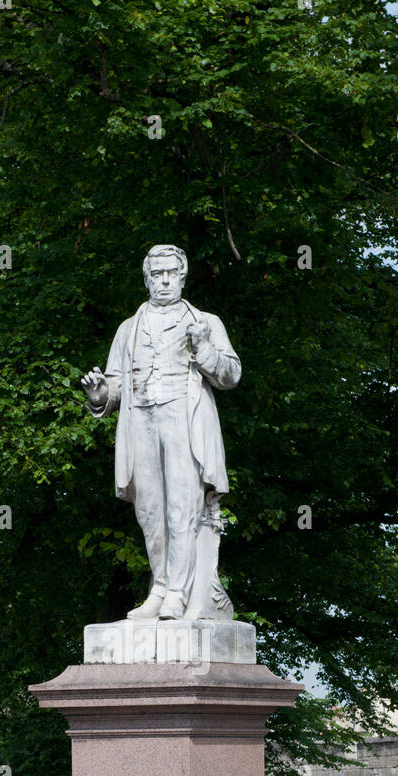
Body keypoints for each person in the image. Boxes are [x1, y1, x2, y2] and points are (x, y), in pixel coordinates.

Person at [80, 244, 241, 621]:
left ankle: (177, 595)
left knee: (181, 509)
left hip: (184, 418)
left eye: (171, 273)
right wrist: (99, 392)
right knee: (150, 510)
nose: (165, 280)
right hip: (142, 422)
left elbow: (230, 375)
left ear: (182, 276)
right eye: (157, 274)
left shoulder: (206, 322)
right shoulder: (128, 329)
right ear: (147, 278)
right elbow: (115, 385)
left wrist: (204, 350)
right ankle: (160, 587)